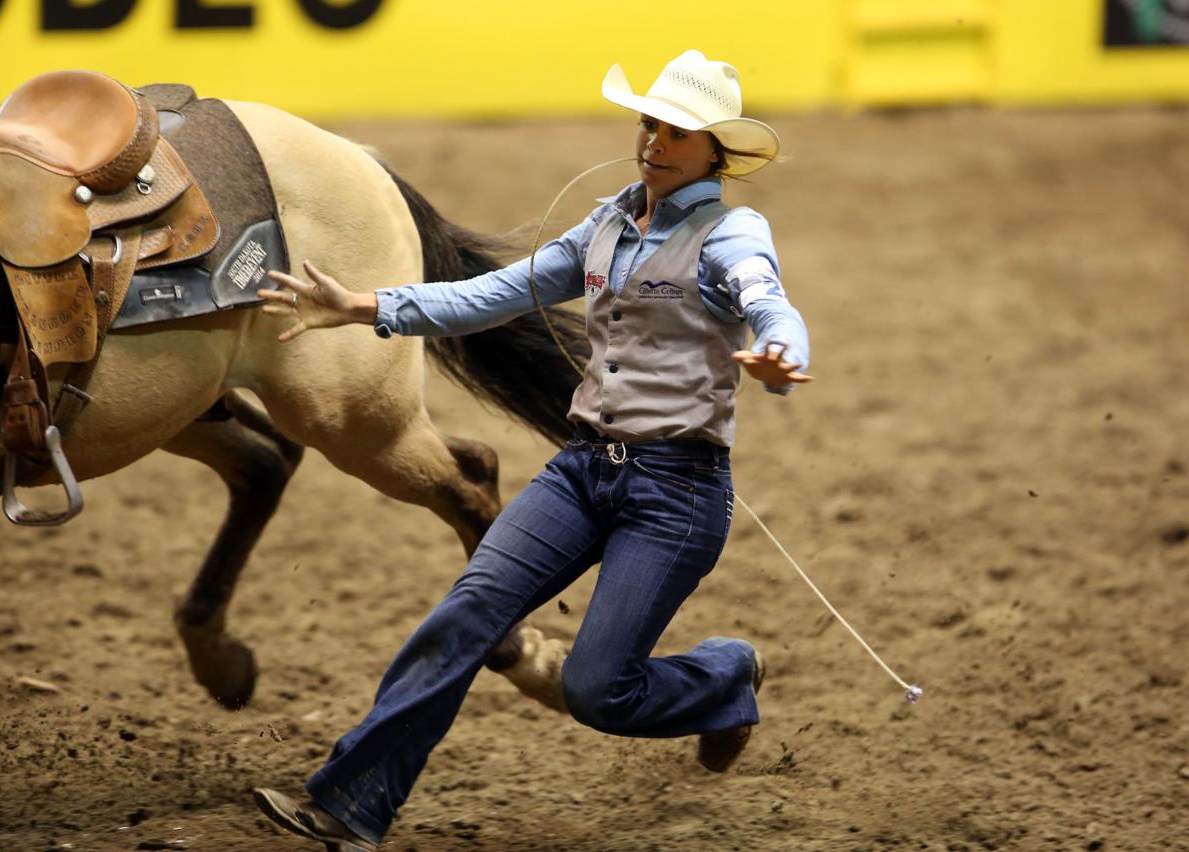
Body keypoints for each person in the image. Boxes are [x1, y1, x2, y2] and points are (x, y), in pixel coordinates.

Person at [251, 49, 811, 851]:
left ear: (715, 152)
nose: (654, 142)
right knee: (467, 612)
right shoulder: (607, 224)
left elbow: (768, 301)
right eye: (648, 124)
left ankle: (722, 674)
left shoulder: (732, 233)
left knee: (597, 691)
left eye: (677, 133)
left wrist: (781, 352)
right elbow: (494, 294)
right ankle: (350, 801)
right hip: (582, 470)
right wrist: (365, 305)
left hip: (675, 494)